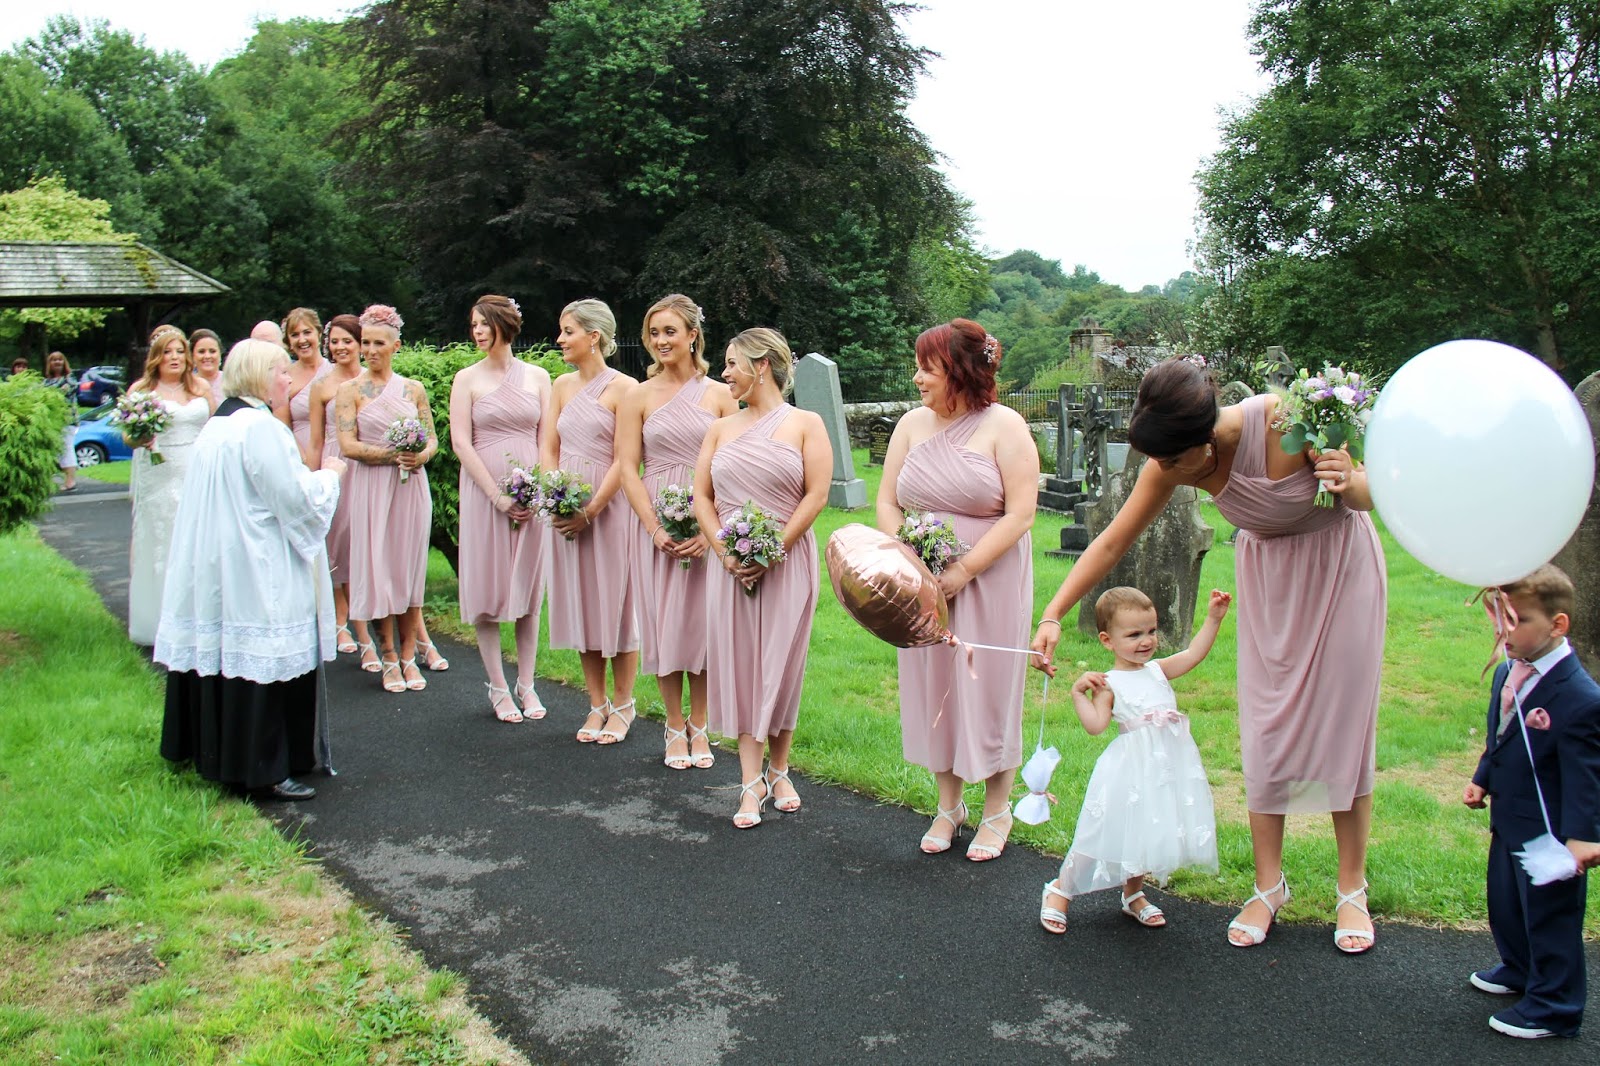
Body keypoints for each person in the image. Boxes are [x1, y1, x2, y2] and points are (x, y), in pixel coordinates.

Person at [1030, 356, 1386, 952]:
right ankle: (1269, 885)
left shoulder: (1286, 420)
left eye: (1173, 459)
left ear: (1204, 436)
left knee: (1344, 731)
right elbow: (1114, 537)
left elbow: (1372, 497)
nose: (1164, 471)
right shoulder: (1171, 459)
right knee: (1266, 729)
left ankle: (1352, 888)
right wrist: (1052, 614)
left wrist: (1351, 478)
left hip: (1339, 573)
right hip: (1272, 587)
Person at [876, 320, 1038, 860]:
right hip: (923, 581)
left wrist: (963, 570)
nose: (917, 378)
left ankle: (997, 809)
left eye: (928, 368)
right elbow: (887, 501)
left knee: (989, 686)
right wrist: (908, 557)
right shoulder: (909, 425)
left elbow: (1021, 514)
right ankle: (948, 805)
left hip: (989, 578)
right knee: (936, 684)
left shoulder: (1005, 426)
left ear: (959, 371)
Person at [155, 338, 345, 801]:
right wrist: (331, 476)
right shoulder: (260, 428)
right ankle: (267, 767)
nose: (288, 379)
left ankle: (216, 754)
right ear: (261, 376)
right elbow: (294, 499)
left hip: (222, 561)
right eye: (281, 371)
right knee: (266, 658)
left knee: (228, 656)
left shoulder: (218, 427)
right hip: (257, 563)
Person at [692, 328, 831, 828]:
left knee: (782, 666)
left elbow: (816, 494)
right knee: (740, 666)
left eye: (732, 363)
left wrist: (776, 548)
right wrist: (724, 551)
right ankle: (750, 781)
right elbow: (701, 497)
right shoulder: (719, 429)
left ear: (763, 366)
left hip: (788, 562)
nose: (723, 372)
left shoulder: (805, 424)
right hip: (728, 565)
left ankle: (779, 769)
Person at [1039, 586, 1227, 934]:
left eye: (1152, 631)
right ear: (1108, 640)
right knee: (1101, 831)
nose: (1146, 641)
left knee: (1148, 828)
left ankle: (1133, 893)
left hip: (1164, 767)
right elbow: (1096, 726)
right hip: (1128, 769)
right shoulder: (1110, 683)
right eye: (1134, 634)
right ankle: (1060, 890)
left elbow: (1194, 654)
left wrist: (1214, 618)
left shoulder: (1157, 670)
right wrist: (1078, 693)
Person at [1463, 565, 1600, 1040]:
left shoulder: (1580, 697)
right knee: (1507, 903)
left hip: (1554, 834)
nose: (1503, 631)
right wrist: (1482, 779)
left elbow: (1586, 775)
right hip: (1510, 819)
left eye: (1516, 621)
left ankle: (1555, 1005)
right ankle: (1520, 969)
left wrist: (1583, 836)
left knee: (1550, 916)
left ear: (1557, 625)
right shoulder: (1507, 671)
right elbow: (1501, 737)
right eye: (1499, 618)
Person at [616, 294, 737, 768]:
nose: (661, 341)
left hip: (710, 516)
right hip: (656, 518)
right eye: (654, 333)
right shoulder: (637, 397)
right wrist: (653, 528)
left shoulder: (722, 395)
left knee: (702, 626)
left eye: (670, 331)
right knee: (664, 624)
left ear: (692, 336)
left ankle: (701, 724)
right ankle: (672, 723)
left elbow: (731, 464)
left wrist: (711, 533)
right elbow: (627, 467)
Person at [542, 298, 641, 743]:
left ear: (593, 336)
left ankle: (624, 703)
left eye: (567, 331)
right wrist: (556, 495)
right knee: (581, 601)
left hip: (610, 509)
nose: (560, 339)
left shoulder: (625, 388)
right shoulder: (560, 387)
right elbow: (548, 447)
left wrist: (591, 509)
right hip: (567, 512)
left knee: (617, 606)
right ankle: (595, 702)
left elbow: (626, 460)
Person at [452, 294, 553, 723]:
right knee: (488, 590)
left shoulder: (539, 377)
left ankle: (527, 684)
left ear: (503, 325)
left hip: (532, 500)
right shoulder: (466, 379)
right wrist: (497, 495)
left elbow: (548, 441)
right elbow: (461, 441)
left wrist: (538, 493)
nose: (476, 331)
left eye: (482, 324)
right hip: (485, 496)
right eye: (472, 324)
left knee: (528, 593)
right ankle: (497, 686)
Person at [337, 304, 438, 694]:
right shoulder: (350, 391)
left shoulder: (413, 389)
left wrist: (419, 456)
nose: (371, 350)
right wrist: (391, 454)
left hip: (410, 488)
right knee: (378, 570)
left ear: (396, 346)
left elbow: (431, 438)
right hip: (371, 489)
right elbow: (347, 444)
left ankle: (411, 655)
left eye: (380, 343)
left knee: (409, 570)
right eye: (366, 343)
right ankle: (388, 657)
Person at [126, 326, 215, 645]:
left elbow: (216, 427)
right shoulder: (143, 389)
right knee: (163, 541)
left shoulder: (201, 387)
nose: (175, 357)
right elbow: (128, 437)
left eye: (179, 351)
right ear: (156, 358)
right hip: (161, 472)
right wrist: (141, 436)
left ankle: (197, 617)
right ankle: (160, 619)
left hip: (196, 469)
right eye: (168, 352)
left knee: (196, 542)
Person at [308, 314, 374, 668]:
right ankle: (342, 621)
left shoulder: (373, 381)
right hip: (335, 462)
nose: (339, 347)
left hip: (367, 464)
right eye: (333, 341)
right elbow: (316, 441)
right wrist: (313, 480)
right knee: (336, 544)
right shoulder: (321, 387)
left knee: (360, 544)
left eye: (347, 340)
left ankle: (364, 625)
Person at [278, 307, 332, 467]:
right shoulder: (284, 377)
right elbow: (282, 428)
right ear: (288, 341)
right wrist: (304, 460)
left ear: (319, 333)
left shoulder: (335, 371)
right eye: (295, 335)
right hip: (300, 457)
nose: (302, 340)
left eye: (307, 332)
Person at [41, 351, 79, 491]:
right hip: (51, 422)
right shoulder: (46, 381)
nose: (57, 362)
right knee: (57, 452)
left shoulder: (69, 379)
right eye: (54, 360)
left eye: (60, 360)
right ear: (49, 363)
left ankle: (71, 481)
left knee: (67, 449)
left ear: (64, 363)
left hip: (67, 421)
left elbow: (58, 394)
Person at [190, 328, 225, 408]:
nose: (207, 356)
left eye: (212, 351)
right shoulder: (187, 384)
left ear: (220, 354)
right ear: (192, 356)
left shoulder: (232, 381)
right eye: (201, 351)